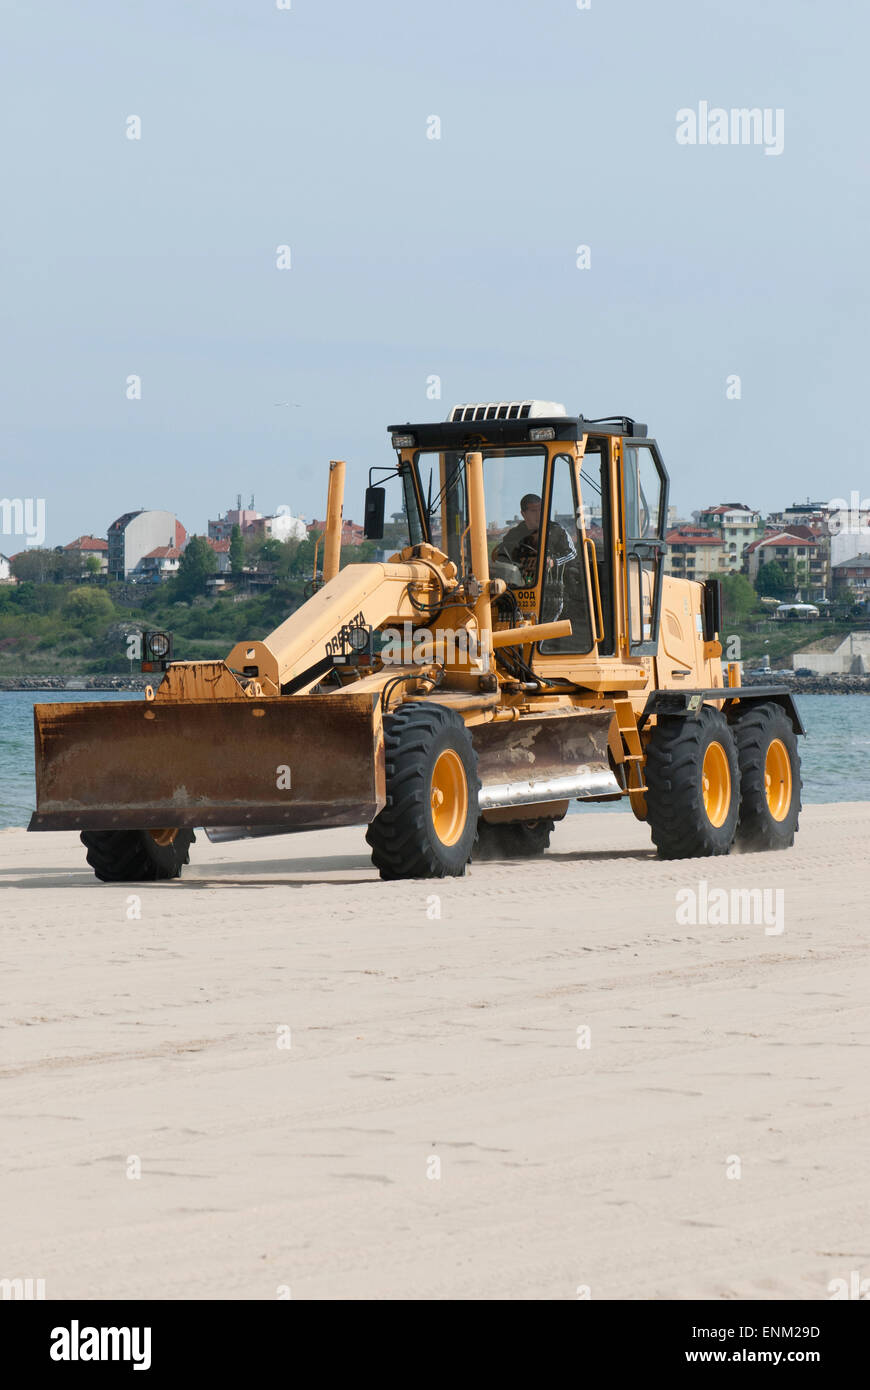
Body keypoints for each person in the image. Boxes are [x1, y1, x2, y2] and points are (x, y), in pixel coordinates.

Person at [492, 493, 575, 584]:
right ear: (523, 514)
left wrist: (553, 561)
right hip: (522, 586)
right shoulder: (513, 535)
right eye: (533, 511)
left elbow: (572, 553)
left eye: (541, 510)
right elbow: (502, 559)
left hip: (554, 585)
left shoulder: (556, 530)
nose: (539, 514)